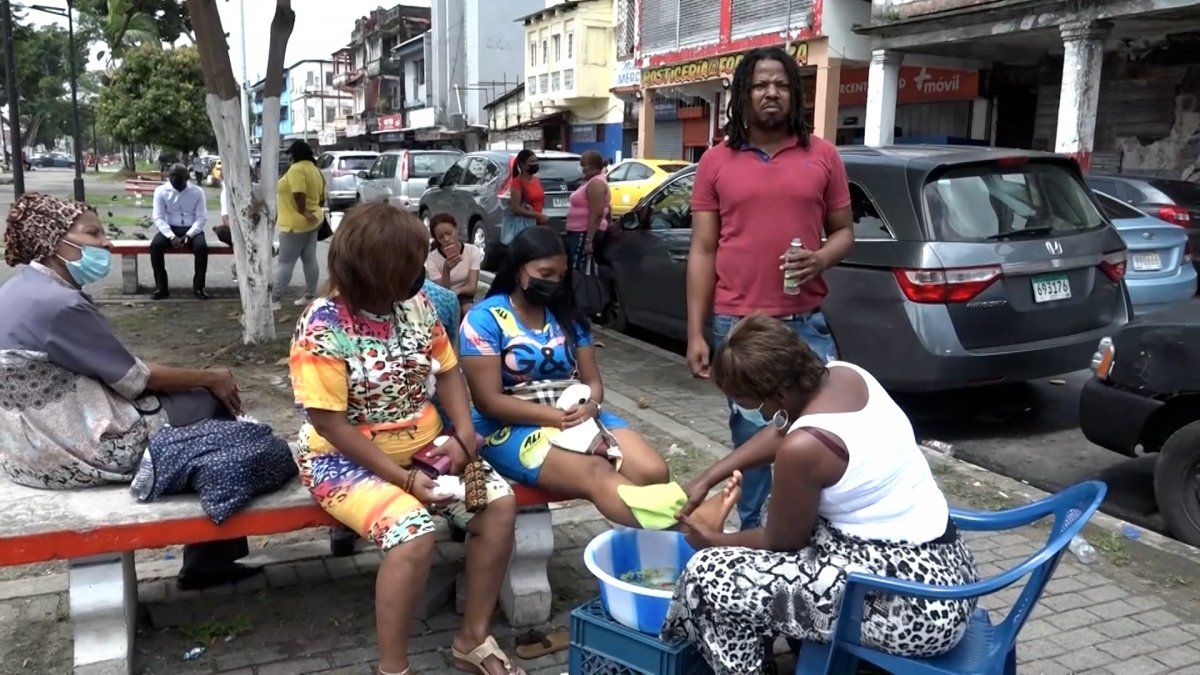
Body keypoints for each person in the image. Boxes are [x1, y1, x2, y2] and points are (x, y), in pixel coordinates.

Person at [664, 315, 978, 674]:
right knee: (776, 509)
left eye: (752, 404)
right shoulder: (845, 375)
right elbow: (787, 431)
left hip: (913, 609)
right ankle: (800, 646)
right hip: (949, 571)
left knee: (710, 576)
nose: (756, 413)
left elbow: (782, 540)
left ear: (780, 395)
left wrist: (714, 542)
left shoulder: (806, 447)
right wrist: (707, 478)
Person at [289, 202, 523, 675]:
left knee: (498, 505)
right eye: (411, 263)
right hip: (344, 461)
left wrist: (464, 435)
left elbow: (448, 370)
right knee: (412, 534)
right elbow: (331, 424)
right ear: (377, 271)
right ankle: (393, 669)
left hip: (428, 450)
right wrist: (403, 479)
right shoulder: (322, 325)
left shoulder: (416, 305)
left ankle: (472, 639)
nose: (422, 271)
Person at [0, 192, 258, 591]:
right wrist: (211, 377)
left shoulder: (17, 291)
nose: (106, 243)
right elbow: (133, 379)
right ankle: (209, 562)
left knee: (191, 403)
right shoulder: (61, 305)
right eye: (92, 234)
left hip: (24, 453)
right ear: (53, 242)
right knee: (210, 407)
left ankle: (209, 554)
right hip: (77, 453)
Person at [685, 46, 854, 530]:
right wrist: (696, 333)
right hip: (737, 326)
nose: (771, 93)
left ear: (795, 92)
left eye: (781, 84)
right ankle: (754, 528)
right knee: (752, 435)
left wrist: (820, 258)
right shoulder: (715, 161)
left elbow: (845, 232)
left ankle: (822, 527)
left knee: (824, 429)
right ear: (743, 94)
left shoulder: (822, 155)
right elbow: (703, 249)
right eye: (760, 85)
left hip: (805, 322)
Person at [462, 227, 708, 531]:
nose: (554, 282)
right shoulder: (484, 319)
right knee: (595, 471)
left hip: (576, 411)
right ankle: (691, 529)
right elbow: (488, 401)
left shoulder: (568, 316)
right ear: (517, 269)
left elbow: (593, 382)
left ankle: (662, 536)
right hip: (509, 425)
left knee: (653, 472)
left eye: (561, 275)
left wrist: (591, 405)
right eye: (545, 273)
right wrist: (556, 419)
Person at [275, 140, 324, 308]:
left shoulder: (296, 169)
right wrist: (311, 211)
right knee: (309, 259)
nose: (289, 157)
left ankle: (275, 299)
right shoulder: (315, 170)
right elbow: (322, 196)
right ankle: (310, 294)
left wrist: (303, 211)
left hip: (294, 224)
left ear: (296, 154)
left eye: (290, 154)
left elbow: (298, 193)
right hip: (313, 222)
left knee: (286, 263)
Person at [150, 163, 210, 301]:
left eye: (178, 176)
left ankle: (199, 287)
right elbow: (158, 217)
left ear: (186, 177)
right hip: (170, 228)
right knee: (155, 246)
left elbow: (201, 217)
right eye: (171, 175)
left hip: (192, 228)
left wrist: (189, 234)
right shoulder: (161, 191)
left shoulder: (197, 192)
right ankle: (162, 288)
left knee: (201, 248)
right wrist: (171, 236)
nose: (174, 178)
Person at [426, 213, 482, 316]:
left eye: (449, 233)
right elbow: (442, 292)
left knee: (467, 310)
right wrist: (446, 270)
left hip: (464, 296)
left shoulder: (472, 251)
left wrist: (456, 291)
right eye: (441, 237)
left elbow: (472, 287)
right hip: (443, 298)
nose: (446, 239)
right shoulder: (432, 258)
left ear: (456, 229)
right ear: (436, 239)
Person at [565, 150, 610, 268]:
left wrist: (589, 240)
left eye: (582, 164)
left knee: (578, 267)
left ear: (591, 167)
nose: (580, 168)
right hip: (578, 231)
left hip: (584, 232)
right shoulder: (589, 181)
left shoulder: (596, 183)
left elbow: (597, 213)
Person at [507, 149, 546, 227]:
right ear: (522, 165)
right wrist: (537, 215)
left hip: (538, 223)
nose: (535, 163)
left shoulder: (536, 180)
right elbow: (515, 208)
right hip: (526, 225)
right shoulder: (517, 182)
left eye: (536, 161)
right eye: (532, 161)